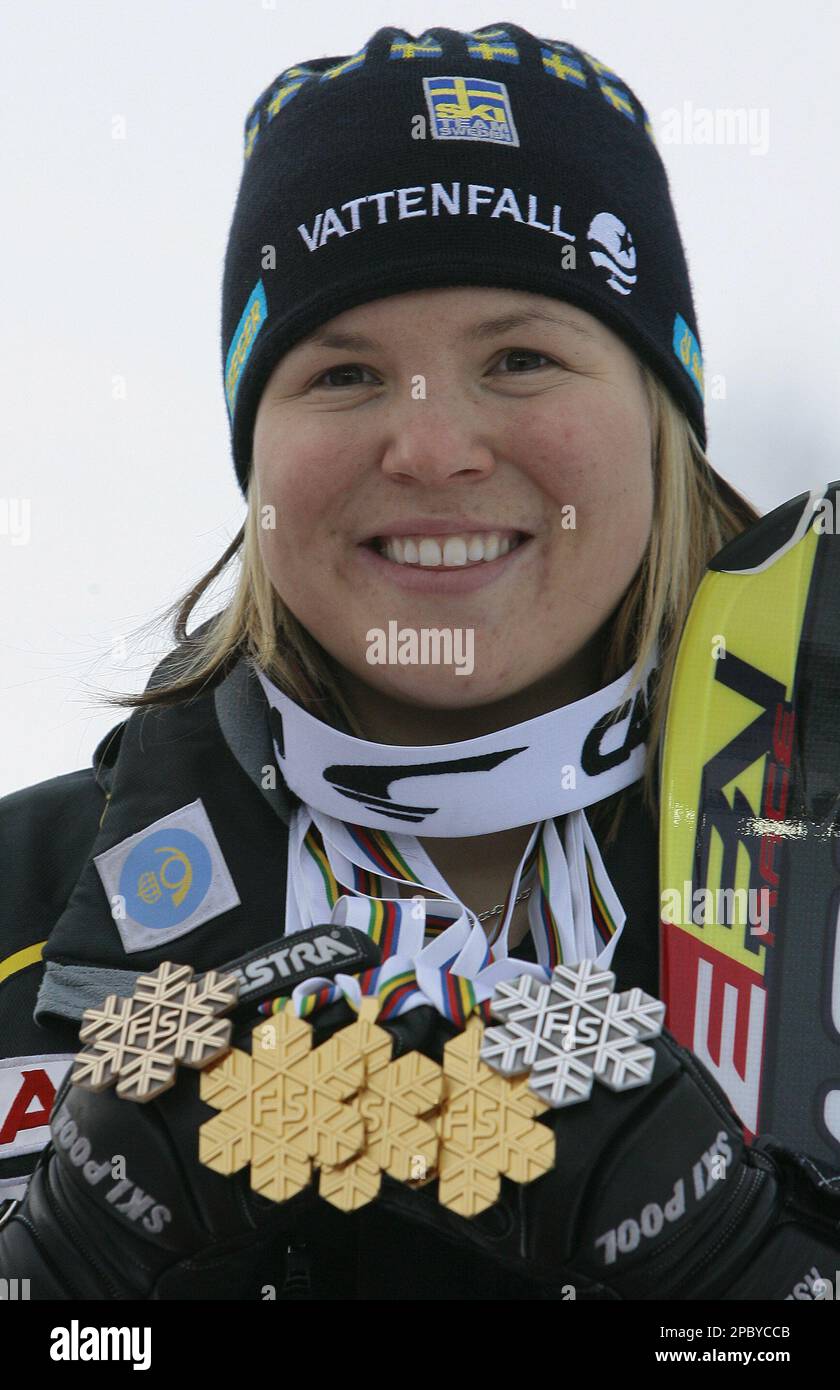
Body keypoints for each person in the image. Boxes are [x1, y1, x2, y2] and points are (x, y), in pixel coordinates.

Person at [1, 21, 839, 1301]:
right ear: (258, 451)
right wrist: (60, 1287)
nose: (432, 447)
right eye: (344, 373)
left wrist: (757, 1292)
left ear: (659, 419)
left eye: (521, 358)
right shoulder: (21, 909)